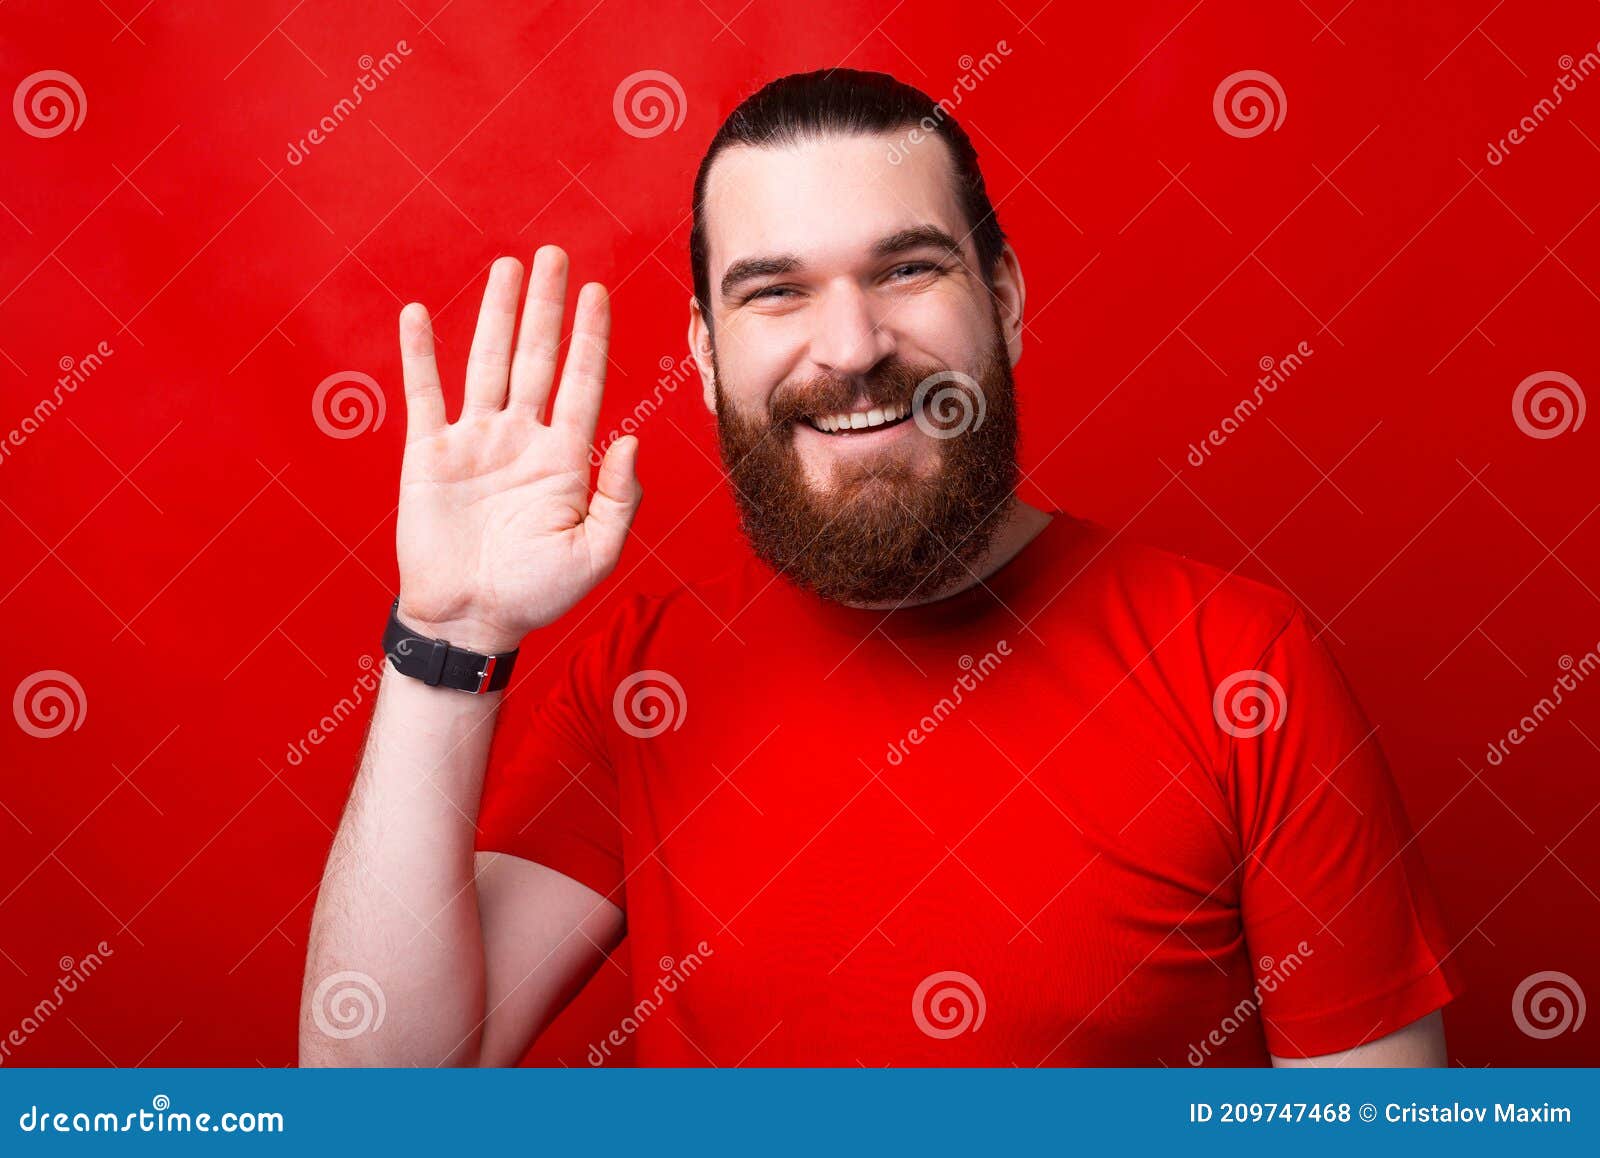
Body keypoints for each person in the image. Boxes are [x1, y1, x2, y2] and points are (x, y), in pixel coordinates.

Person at [300, 69, 1464, 1067]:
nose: (850, 348)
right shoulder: (640, 682)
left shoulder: (1242, 666)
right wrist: (446, 632)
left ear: (1001, 300)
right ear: (707, 356)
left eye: (905, 269)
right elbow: (377, 1090)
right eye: (775, 291)